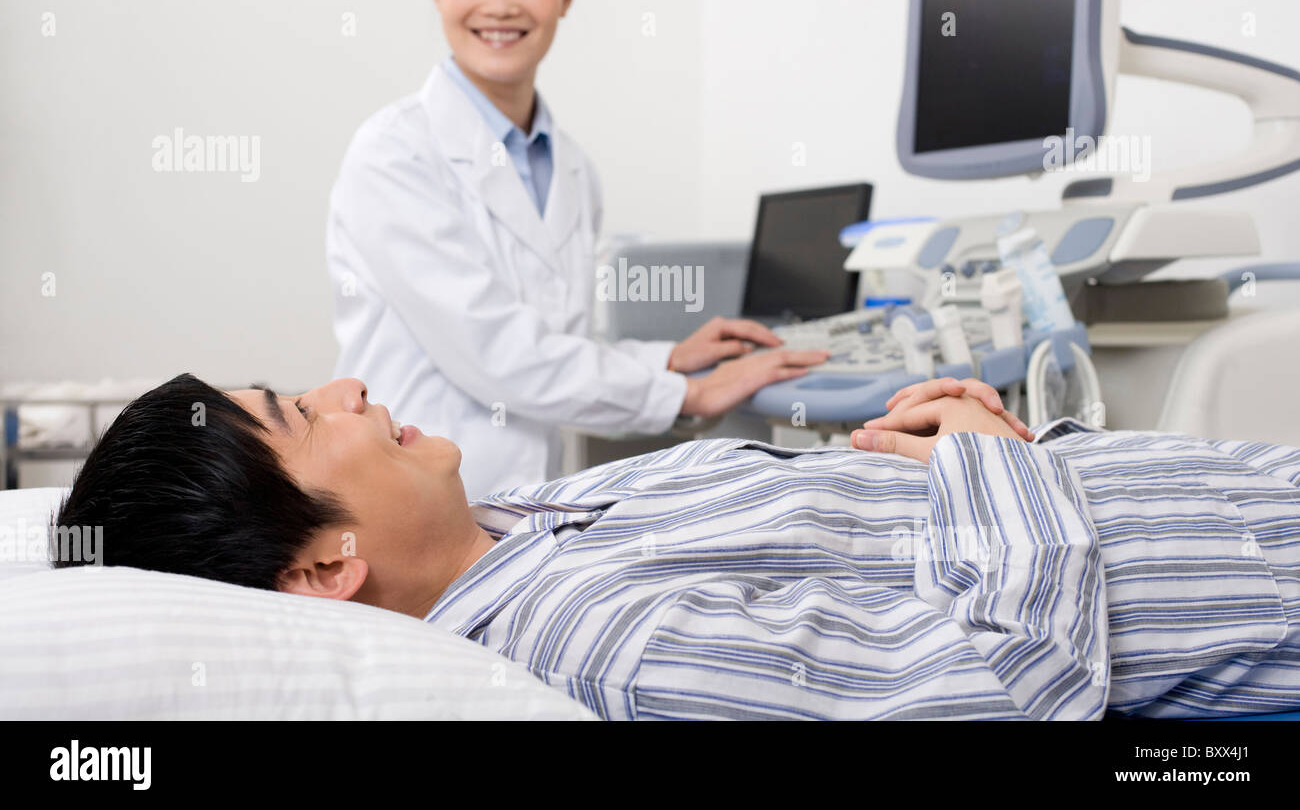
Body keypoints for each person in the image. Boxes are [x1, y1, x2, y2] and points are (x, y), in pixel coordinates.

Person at [55, 373, 1300, 720]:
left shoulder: (540, 515)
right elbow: (1008, 690)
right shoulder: (590, 636)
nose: (347, 384)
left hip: (1230, 489)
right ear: (325, 562)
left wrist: (950, 438)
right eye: (302, 415)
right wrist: (994, 462)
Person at [326, 0, 824, 500]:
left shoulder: (573, 167)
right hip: (407, 502)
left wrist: (665, 358)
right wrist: (685, 392)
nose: (501, 4)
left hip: (526, 502)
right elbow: (495, 351)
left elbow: (552, 341)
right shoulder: (394, 153)